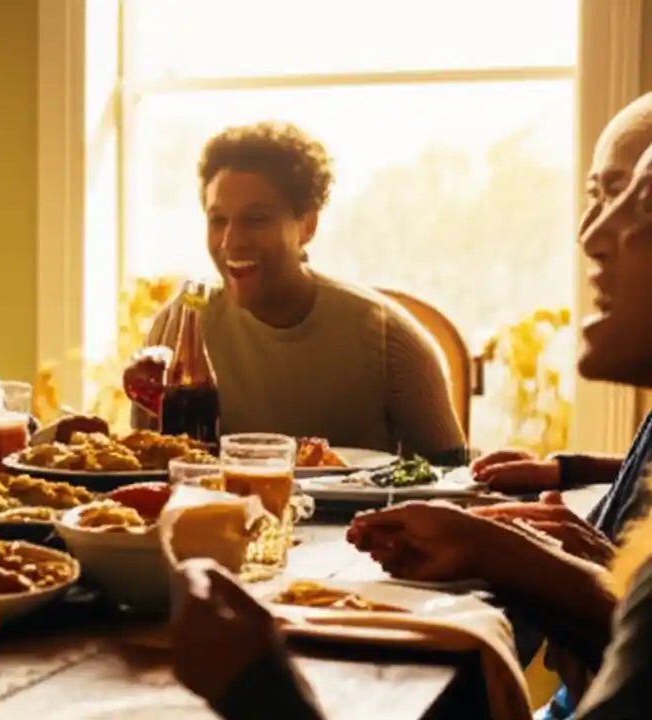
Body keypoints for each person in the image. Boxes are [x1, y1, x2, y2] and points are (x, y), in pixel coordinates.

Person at [169, 95, 652, 719]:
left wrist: (260, 689)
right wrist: (516, 540)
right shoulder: (183, 323)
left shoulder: (380, 331)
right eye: (597, 197)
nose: (591, 234)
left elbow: (449, 471)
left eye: (641, 201)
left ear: (306, 223)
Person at [140, 122, 465, 464]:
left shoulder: (388, 337)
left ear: (307, 225)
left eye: (257, 219)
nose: (231, 241)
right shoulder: (182, 325)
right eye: (219, 220)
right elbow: (142, 467)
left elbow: (454, 481)